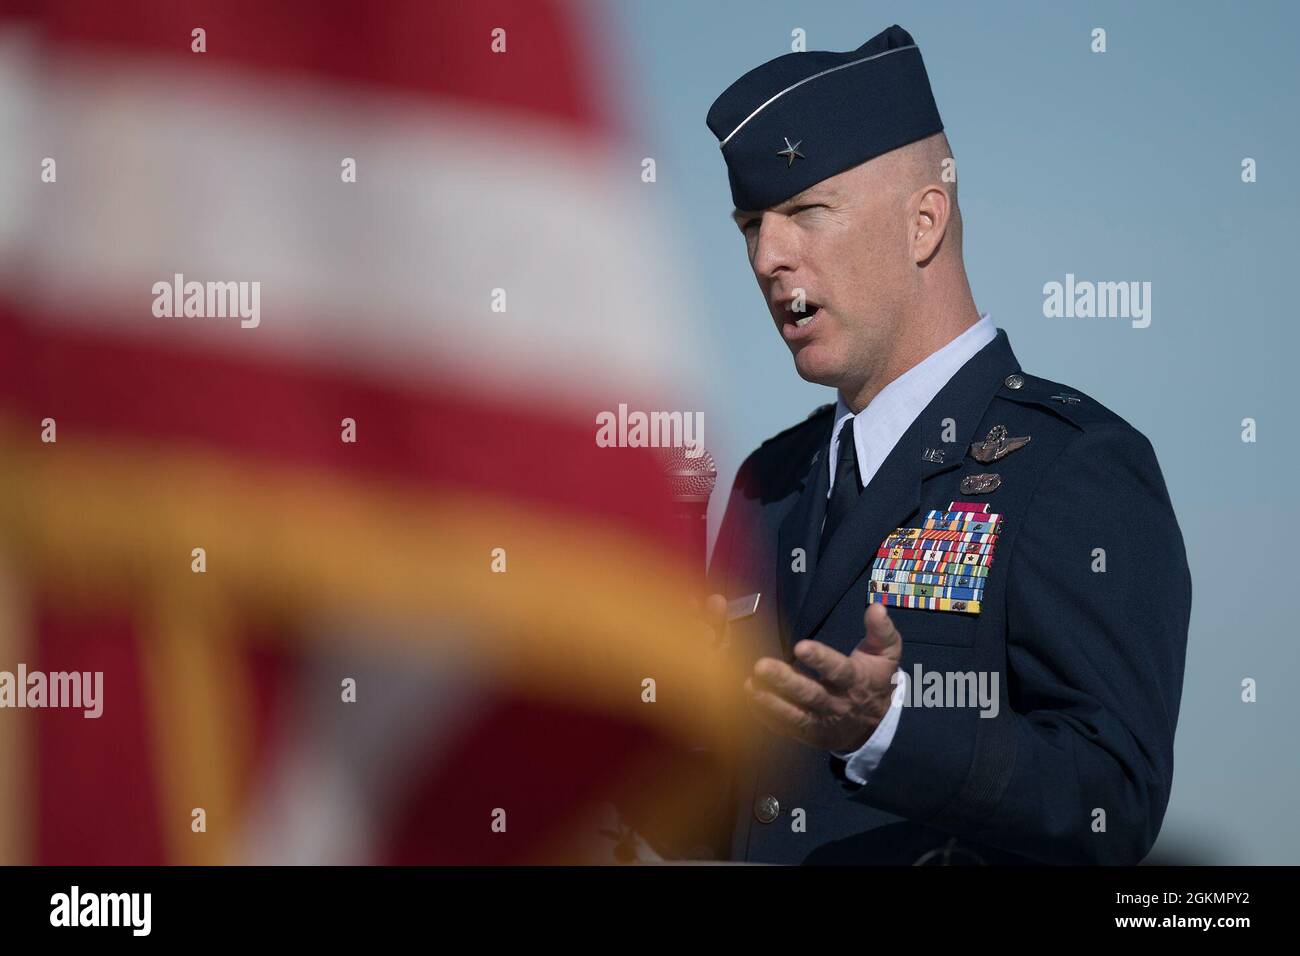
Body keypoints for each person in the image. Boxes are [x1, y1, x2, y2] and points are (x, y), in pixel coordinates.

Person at [703, 24, 1191, 864]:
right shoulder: (766, 486)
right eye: (751, 223)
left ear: (924, 221)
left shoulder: (1072, 463)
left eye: (803, 211)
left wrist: (889, 732)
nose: (767, 256)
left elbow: (1114, 797)